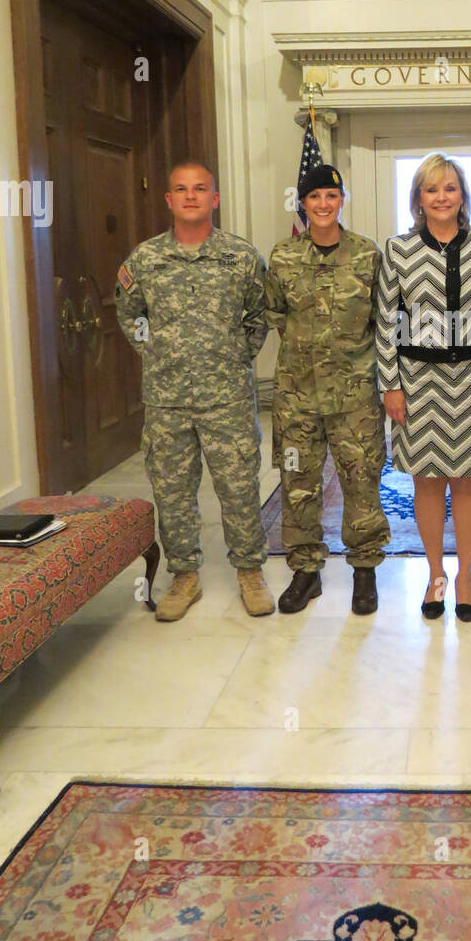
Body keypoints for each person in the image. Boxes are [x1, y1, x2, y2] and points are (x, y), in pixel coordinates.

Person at [115, 161, 272, 622]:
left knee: (240, 485)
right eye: (181, 189)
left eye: (200, 189)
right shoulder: (144, 260)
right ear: (168, 200)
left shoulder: (241, 257)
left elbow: (257, 317)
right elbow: (130, 315)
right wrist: (158, 352)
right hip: (167, 400)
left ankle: (250, 571)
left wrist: (233, 356)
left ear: (214, 199)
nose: (190, 196)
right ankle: (184, 576)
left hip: (228, 397)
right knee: (173, 491)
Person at [376, 154, 471, 621]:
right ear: (418, 199)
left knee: (469, 482)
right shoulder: (397, 251)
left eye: (450, 188)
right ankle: (437, 574)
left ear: (462, 196)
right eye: (431, 189)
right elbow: (387, 323)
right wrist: (390, 385)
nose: (441, 196)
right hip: (418, 384)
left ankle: (465, 577)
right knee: (428, 482)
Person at [265, 165, 390, 615]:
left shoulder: (367, 256)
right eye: (314, 196)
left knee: (362, 482)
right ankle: (306, 571)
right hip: (297, 397)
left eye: (331, 196)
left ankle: (364, 569)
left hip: (354, 397)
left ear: (342, 200)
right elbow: (277, 314)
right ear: (302, 202)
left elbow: (383, 321)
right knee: (298, 485)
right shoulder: (282, 257)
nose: (322, 204)